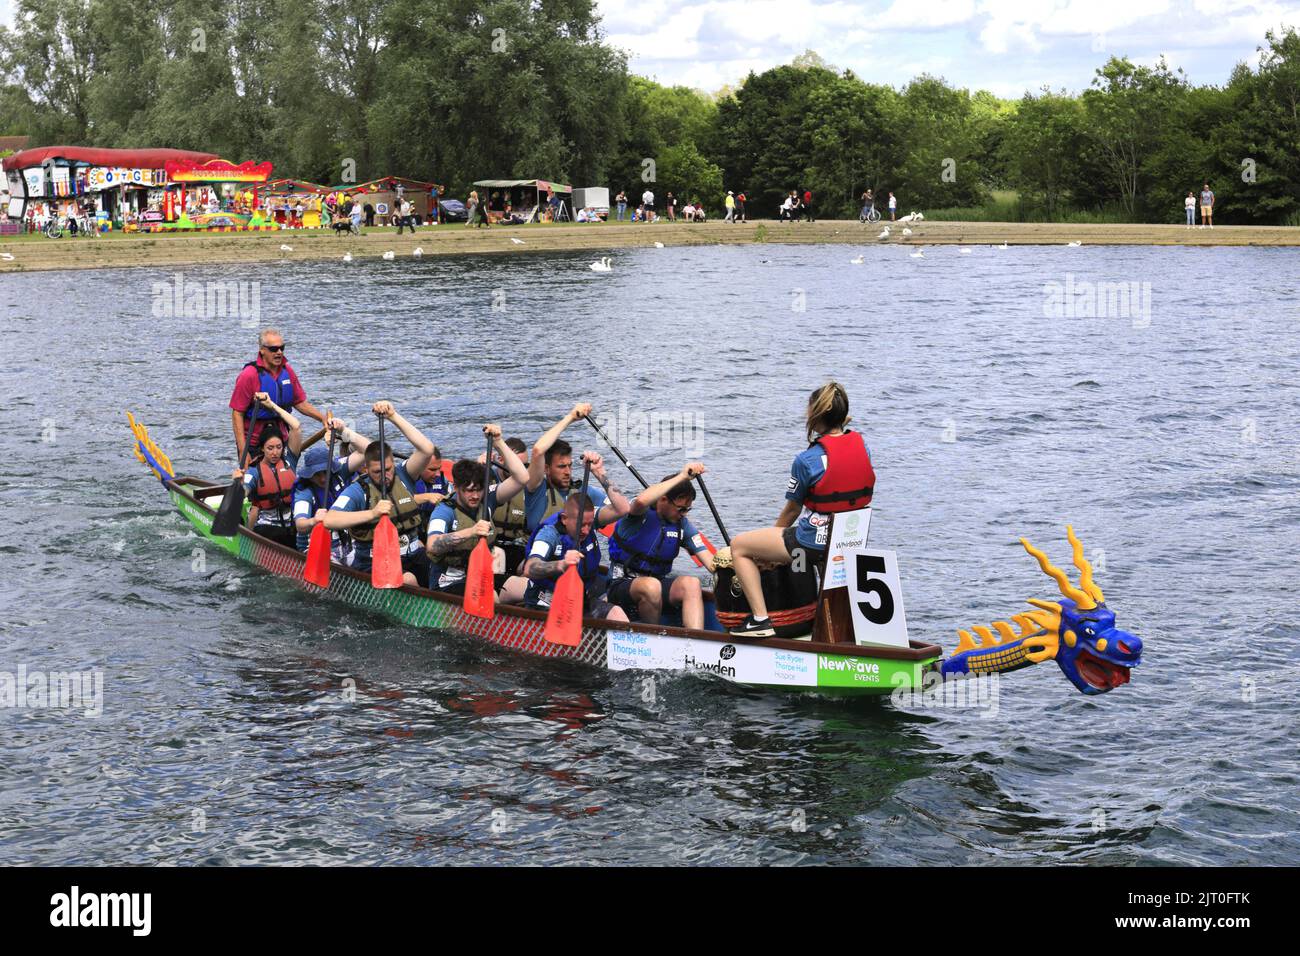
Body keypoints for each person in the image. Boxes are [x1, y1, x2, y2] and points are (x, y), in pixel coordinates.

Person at [726, 382, 876, 637]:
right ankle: (833, 630)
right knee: (812, 554)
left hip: (812, 543)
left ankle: (760, 621)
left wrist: (767, 552)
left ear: (815, 416)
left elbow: (792, 511)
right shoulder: (863, 448)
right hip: (849, 540)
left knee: (740, 545)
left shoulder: (806, 460)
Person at [323, 401, 437, 587]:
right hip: (375, 563)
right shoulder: (358, 490)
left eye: (388, 469)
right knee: (408, 580)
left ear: (393, 463)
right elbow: (330, 520)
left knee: (441, 567)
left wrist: (393, 416)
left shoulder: (404, 475)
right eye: (377, 472)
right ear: (366, 468)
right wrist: (372, 513)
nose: (385, 475)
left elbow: (426, 449)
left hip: (414, 555)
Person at [424, 424, 530, 595]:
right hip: (448, 582)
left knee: (527, 587)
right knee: (490, 594)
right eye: (469, 490)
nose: (475, 496)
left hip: (481, 576)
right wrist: (471, 531)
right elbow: (432, 545)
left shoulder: (488, 499)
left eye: (478, 489)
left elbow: (522, 477)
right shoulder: (444, 511)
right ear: (456, 488)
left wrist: (498, 442)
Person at [607, 465, 715, 629]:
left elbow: (712, 563)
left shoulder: (682, 525)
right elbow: (642, 500)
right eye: (681, 509)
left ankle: (693, 641)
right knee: (652, 586)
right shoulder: (637, 515)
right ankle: (654, 638)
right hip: (621, 584)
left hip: (656, 584)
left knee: (692, 584)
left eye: (688, 509)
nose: (684, 514)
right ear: (663, 500)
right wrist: (682, 475)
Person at [522, 492, 629, 622]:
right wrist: (561, 564)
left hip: (578, 598)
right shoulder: (548, 535)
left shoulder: (588, 521)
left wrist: (599, 473)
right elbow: (530, 568)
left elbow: (623, 509)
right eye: (581, 525)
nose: (586, 530)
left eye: (589, 525)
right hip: (546, 599)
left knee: (617, 613)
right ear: (564, 519)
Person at [525, 404, 630, 533]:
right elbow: (538, 450)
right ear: (546, 469)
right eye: (561, 467)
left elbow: (623, 509)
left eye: (570, 465)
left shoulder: (583, 491)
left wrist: (599, 472)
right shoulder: (535, 488)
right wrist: (571, 418)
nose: (567, 472)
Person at [229, 328, 324, 461]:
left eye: (282, 348)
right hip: (255, 443)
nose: (279, 352)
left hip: (280, 439)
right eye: (274, 349)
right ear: (262, 350)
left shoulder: (287, 371)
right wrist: (243, 451)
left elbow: (299, 403)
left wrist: (323, 419)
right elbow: (237, 413)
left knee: (282, 477)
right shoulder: (249, 375)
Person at [291, 416, 373, 553]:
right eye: (317, 474)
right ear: (309, 474)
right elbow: (300, 525)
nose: (323, 479)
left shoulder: (339, 468)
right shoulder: (304, 491)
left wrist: (343, 430)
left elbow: (368, 450)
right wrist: (314, 520)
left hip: (344, 541)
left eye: (325, 472)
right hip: (313, 547)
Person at [236, 394, 306, 549]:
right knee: (276, 535)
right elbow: (243, 491)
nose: (275, 452)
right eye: (270, 448)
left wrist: (271, 405)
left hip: (291, 524)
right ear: (262, 448)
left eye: (279, 447)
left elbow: (296, 426)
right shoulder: (254, 472)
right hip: (267, 529)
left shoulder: (289, 461)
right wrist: (239, 483)